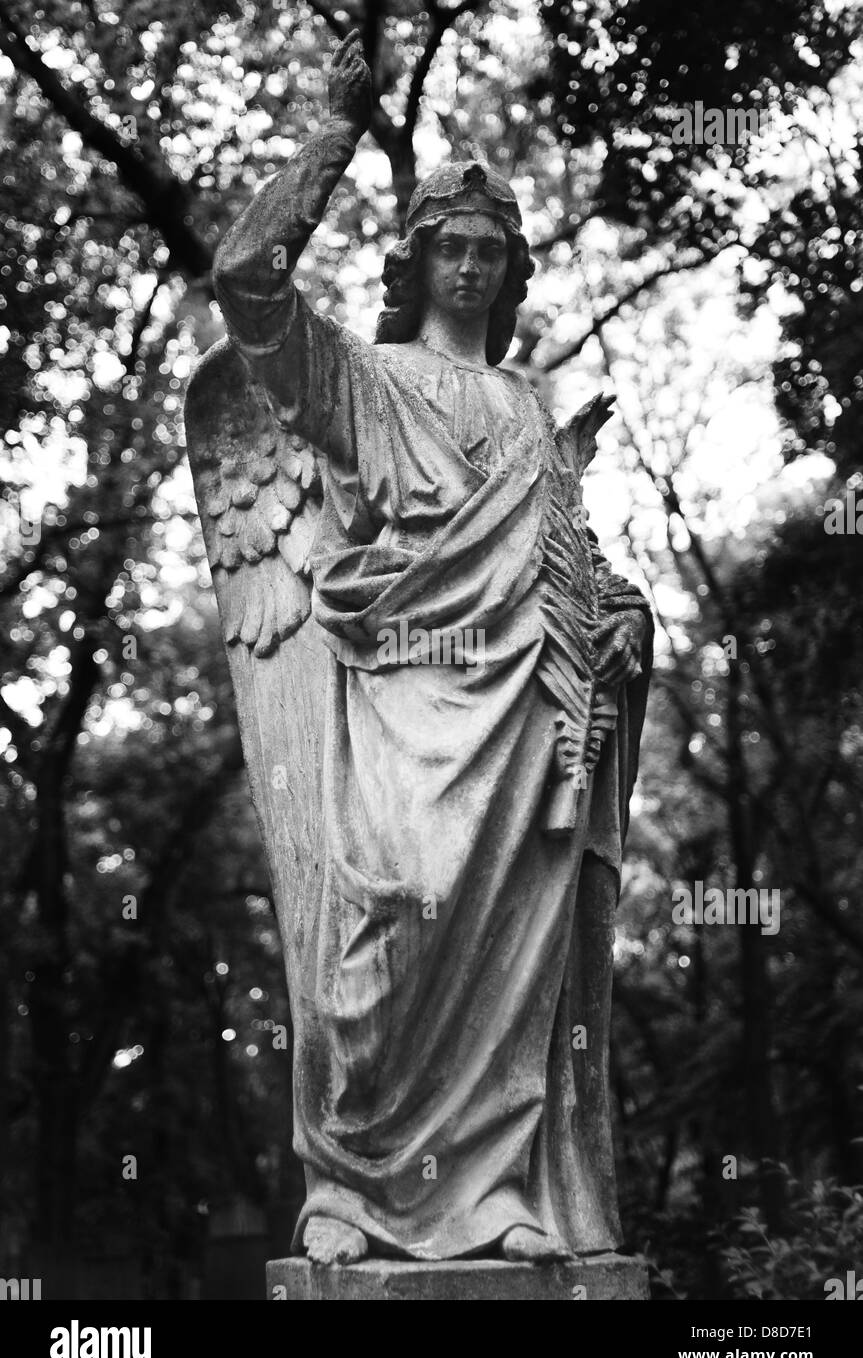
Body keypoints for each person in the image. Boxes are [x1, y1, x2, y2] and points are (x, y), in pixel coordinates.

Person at [211, 31, 652, 1266]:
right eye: (448, 248)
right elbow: (246, 277)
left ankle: (495, 1186)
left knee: (517, 958)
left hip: (525, 714)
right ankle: (347, 1188)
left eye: (488, 252)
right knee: (389, 921)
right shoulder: (367, 378)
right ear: (417, 262)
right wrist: (330, 138)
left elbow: (572, 557)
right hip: (409, 691)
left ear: (509, 271)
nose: (468, 266)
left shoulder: (525, 409)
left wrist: (622, 616)